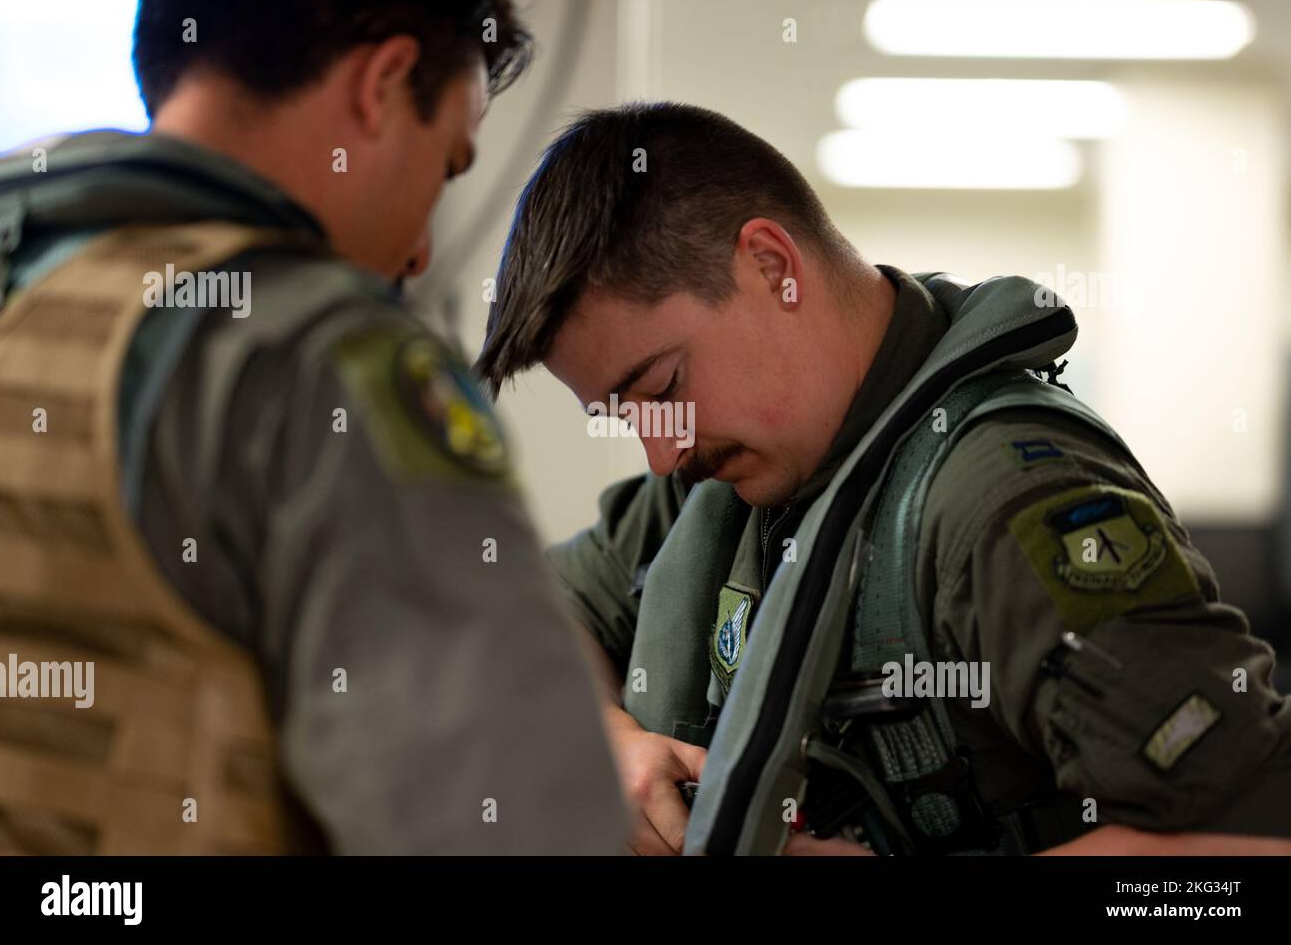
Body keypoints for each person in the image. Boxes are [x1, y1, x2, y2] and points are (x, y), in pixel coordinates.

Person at [477, 101, 1291, 855]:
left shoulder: (996, 504)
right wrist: (612, 740)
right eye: (629, 417)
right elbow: (530, 609)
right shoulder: (716, 486)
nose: (661, 452)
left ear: (771, 265)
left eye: (662, 391)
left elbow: (1241, 853)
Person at [0, 0, 624, 855]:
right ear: (383, 83)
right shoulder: (320, 358)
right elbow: (515, 824)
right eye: (446, 162)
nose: (419, 253)